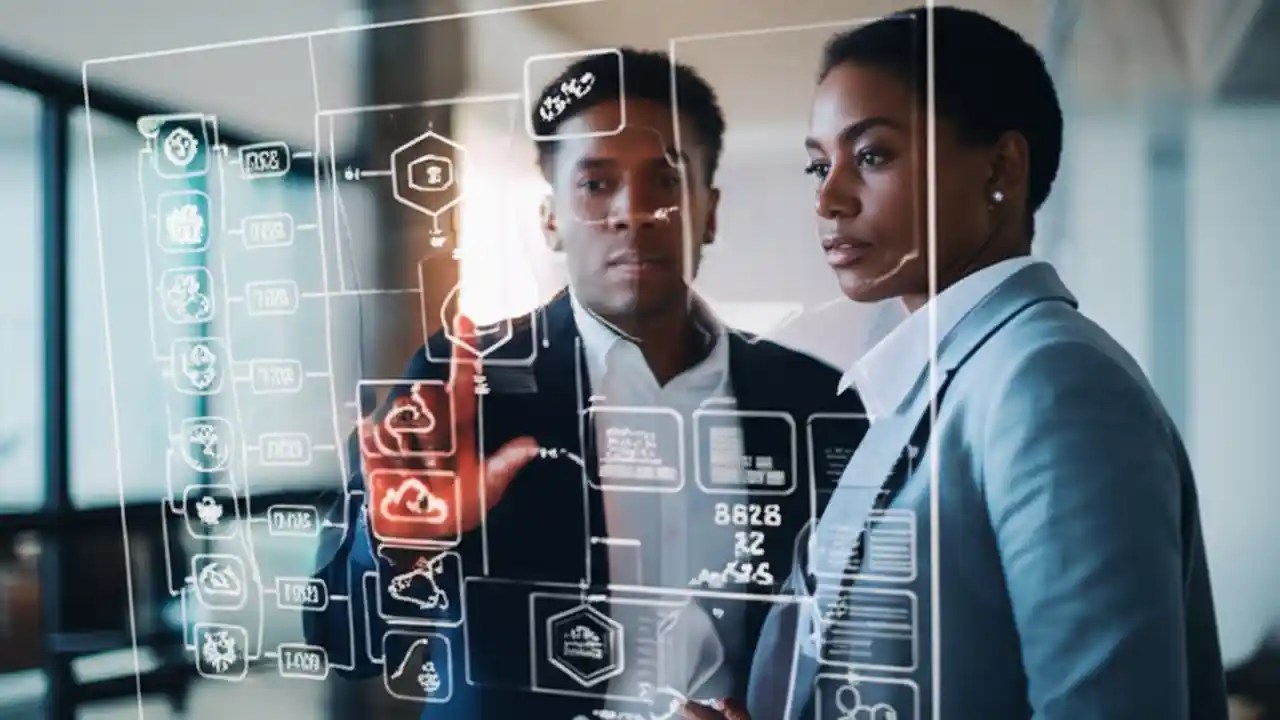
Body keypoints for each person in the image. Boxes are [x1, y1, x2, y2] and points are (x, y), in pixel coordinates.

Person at [689, 7, 1229, 720]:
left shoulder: (1050, 384)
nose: (828, 198)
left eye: (872, 156)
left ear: (1001, 168)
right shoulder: (934, 381)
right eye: (820, 165)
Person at [304, 48, 864, 719]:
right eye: (596, 184)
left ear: (707, 211)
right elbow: (341, 641)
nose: (633, 211)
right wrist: (394, 545)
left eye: (665, 182)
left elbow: (855, 644)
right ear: (550, 218)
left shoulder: (813, 402)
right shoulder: (466, 385)